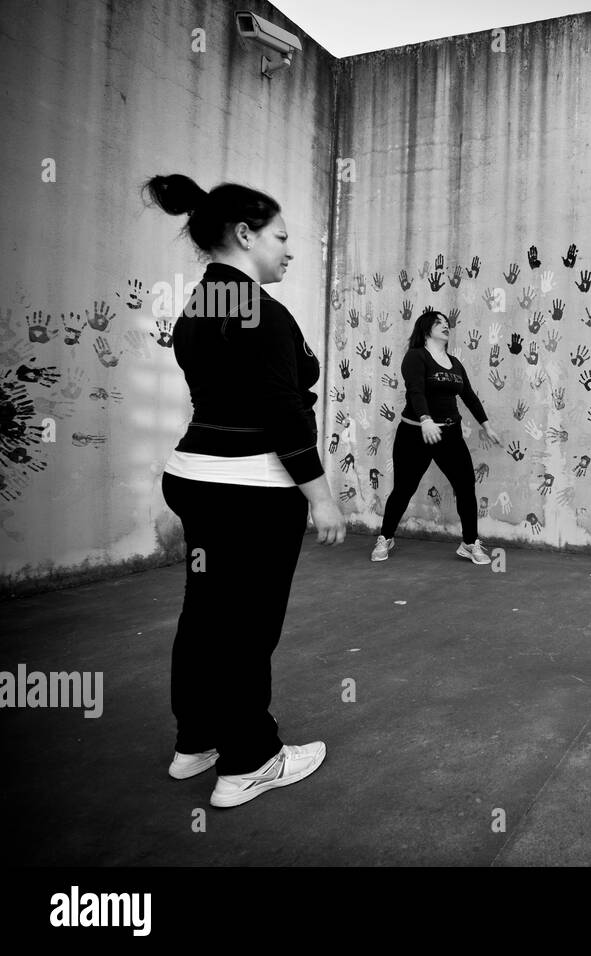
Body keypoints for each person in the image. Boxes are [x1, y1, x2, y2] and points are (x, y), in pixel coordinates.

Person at [144, 173, 345, 807]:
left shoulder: (199, 308)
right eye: (281, 236)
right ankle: (249, 760)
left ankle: (196, 741)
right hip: (250, 491)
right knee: (246, 627)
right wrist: (320, 495)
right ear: (244, 234)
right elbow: (287, 410)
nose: (289, 250)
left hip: (195, 481)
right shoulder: (263, 312)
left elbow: (257, 384)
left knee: (206, 615)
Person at [372, 309, 502, 563]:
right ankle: (385, 536)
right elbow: (415, 391)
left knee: (465, 486)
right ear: (426, 329)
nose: (445, 326)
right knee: (404, 489)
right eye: (439, 322)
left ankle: (469, 542)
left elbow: (469, 396)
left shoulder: (454, 363)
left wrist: (487, 426)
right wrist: (425, 419)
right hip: (415, 433)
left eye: (447, 323)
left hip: (449, 434)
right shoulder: (415, 357)